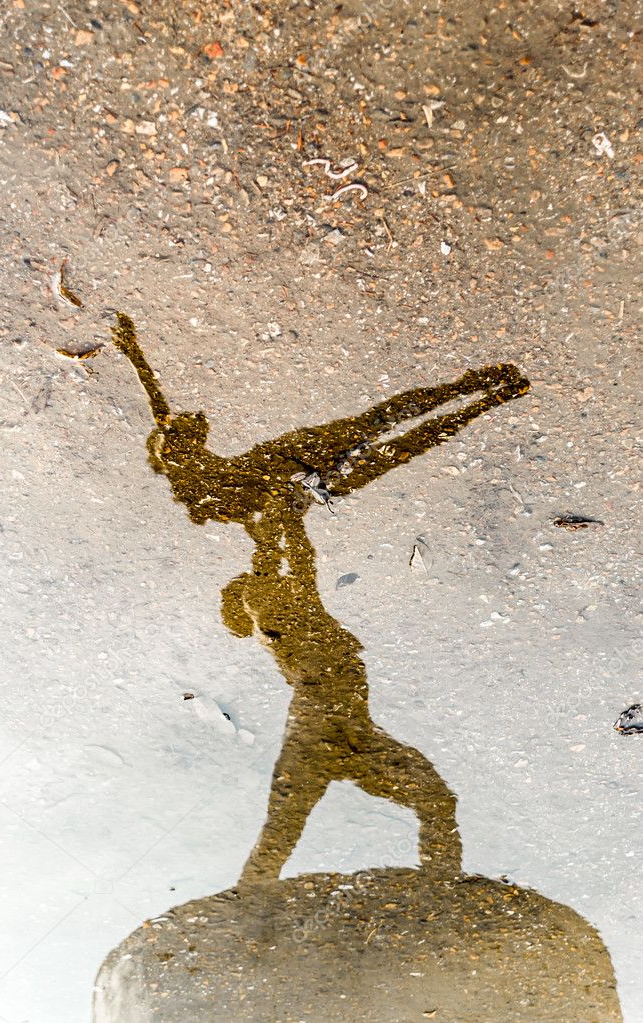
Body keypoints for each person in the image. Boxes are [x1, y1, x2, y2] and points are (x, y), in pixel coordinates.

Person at [112, 312, 530, 883]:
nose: (192, 438)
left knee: (387, 440)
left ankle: (480, 394)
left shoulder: (265, 583)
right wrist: (283, 521)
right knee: (383, 434)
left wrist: (135, 353)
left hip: (333, 718)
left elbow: (165, 417)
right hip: (328, 719)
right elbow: (293, 563)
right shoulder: (270, 595)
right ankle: (478, 393)